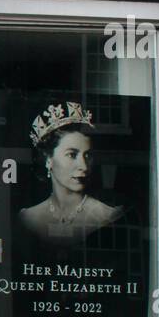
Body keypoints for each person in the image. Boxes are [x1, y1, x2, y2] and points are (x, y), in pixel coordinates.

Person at [19, 101, 122, 243]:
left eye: (87, 155)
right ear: (48, 159)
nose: (84, 166)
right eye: (72, 155)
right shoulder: (28, 217)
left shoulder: (107, 216)